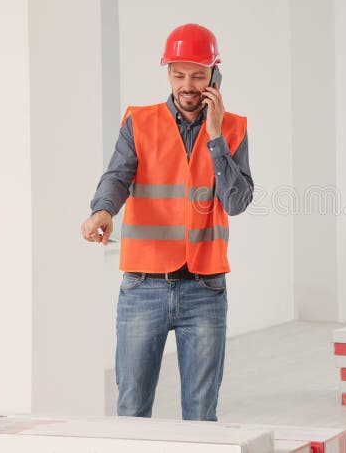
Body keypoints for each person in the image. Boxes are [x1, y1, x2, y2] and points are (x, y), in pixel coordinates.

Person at [80, 23, 253, 421]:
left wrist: (215, 139)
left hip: (205, 288)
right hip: (144, 285)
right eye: (178, 75)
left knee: (200, 414)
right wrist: (102, 210)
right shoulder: (139, 122)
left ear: (215, 75)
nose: (188, 85)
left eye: (198, 75)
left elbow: (238, 200)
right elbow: (117, 176)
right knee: (132, 408)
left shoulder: (233, 128)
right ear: (168, 73)